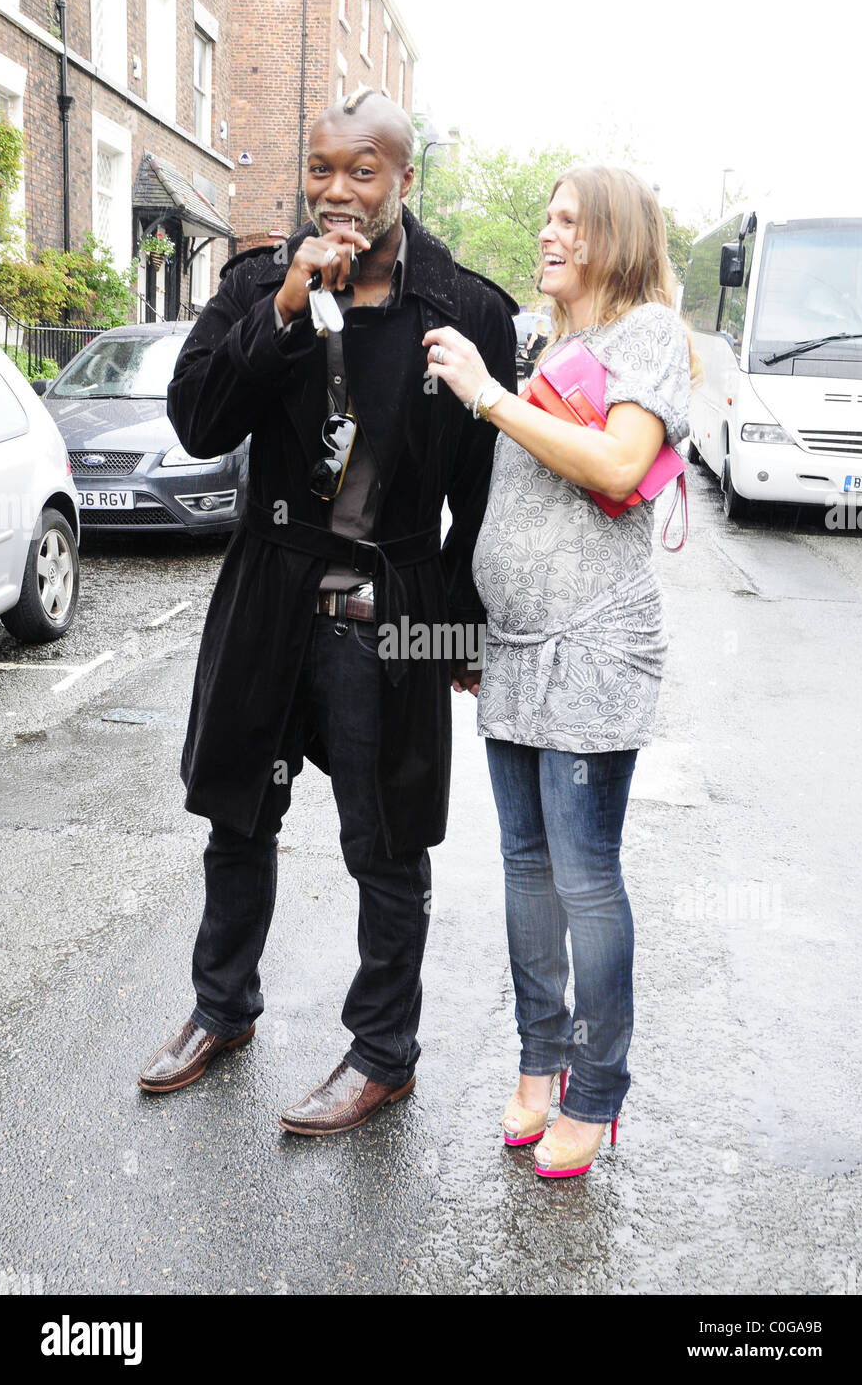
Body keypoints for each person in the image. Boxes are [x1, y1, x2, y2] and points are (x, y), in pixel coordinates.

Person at [137, 90, 517, 1135]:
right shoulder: (262, 280)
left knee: (387, 839)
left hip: (389, 604)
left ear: (404, 178)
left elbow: (483, 496)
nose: (337, 191)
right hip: (268, 590)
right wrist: (284, 312)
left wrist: (457, 627)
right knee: (237, 814)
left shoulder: (468, 311)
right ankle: (223, 1008)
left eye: (362, 171)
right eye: (320, 171)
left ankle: (383, 1052)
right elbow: (202, 420)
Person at [424, 164, 697, 1177]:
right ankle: (537, 1067)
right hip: (515, 650)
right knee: (523, 868)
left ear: (612, 238)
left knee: (584, 876)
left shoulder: (646, 337)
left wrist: (490, 397)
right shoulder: (552, 344)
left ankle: (595, 1088)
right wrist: (473, 628)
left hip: (592, 648)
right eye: (542, 218)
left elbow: (619, 467)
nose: (547, 234)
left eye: (567, 222)